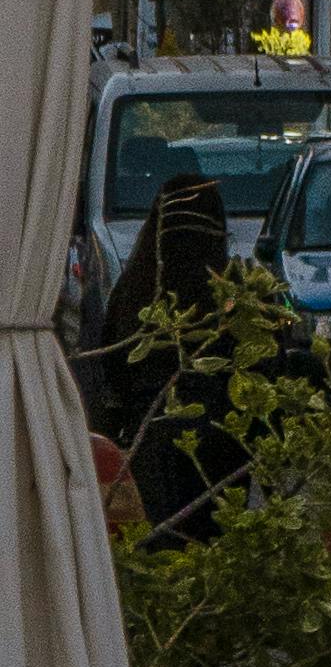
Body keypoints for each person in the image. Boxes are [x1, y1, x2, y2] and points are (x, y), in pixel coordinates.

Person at [102, 165, 242, 536]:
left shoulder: (134, 290)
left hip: (147, 443)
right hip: (220, 444)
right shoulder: (233, 296)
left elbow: (111, 368)